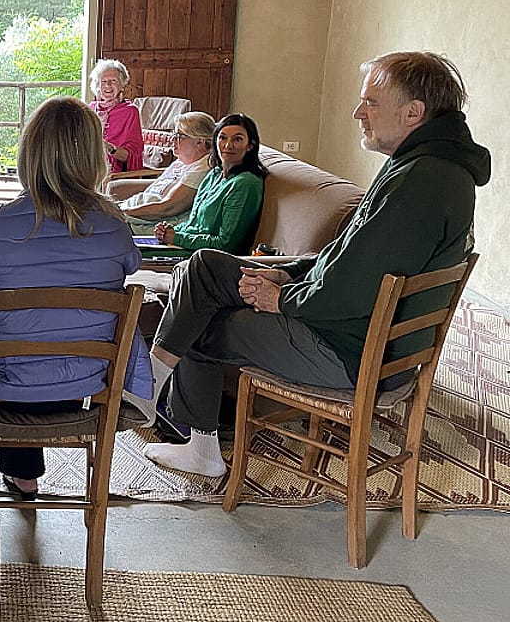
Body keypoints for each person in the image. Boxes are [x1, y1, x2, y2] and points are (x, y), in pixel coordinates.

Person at [142, 51, 490, 479]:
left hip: (349, 351)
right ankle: (154, 378)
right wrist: (287, 273)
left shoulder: (422, 182)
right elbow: (349, 254)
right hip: (347, 329)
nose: (358, 112)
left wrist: (282, 299)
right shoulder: (423, 167)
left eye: (371, 102)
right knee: (204, 267)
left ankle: (181, 425)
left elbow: (356, 287)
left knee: (203, 321)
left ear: (413, 112)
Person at [0, 95, 152, 500]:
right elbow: (130, 265)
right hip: (85, 385)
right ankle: (26, 474)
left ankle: (22, 476)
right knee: (53, 335)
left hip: (6, 386)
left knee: (1, 338)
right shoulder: (113, 226)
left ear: (28, 152)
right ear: (94, 157)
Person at [149, 113, 266, 258]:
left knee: (127, 252)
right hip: (184, 245)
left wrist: (176, 238)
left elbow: (226, 245)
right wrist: (168, 231)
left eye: (238, 139)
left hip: (206, 257)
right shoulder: (214, 173)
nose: (228, 145)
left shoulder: (246, 183)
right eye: (222, 138)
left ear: (250, 146)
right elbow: (193, 223)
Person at [114, 111, 216, 234]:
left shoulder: (202, 168)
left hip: (142, 224)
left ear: (200, 142)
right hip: (131, 214)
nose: (172, 139)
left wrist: (120, 214)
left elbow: (167, 208)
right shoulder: (182, 161)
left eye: (179, 136)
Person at [89, 59, 144, 174]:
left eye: (113, 81)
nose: (108, 85)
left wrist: (109, 148)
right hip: (88, 166)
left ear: (122, 83)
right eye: (103, 81)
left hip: (114, 174)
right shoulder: (91, 108)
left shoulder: (130, 111)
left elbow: (133, 155)